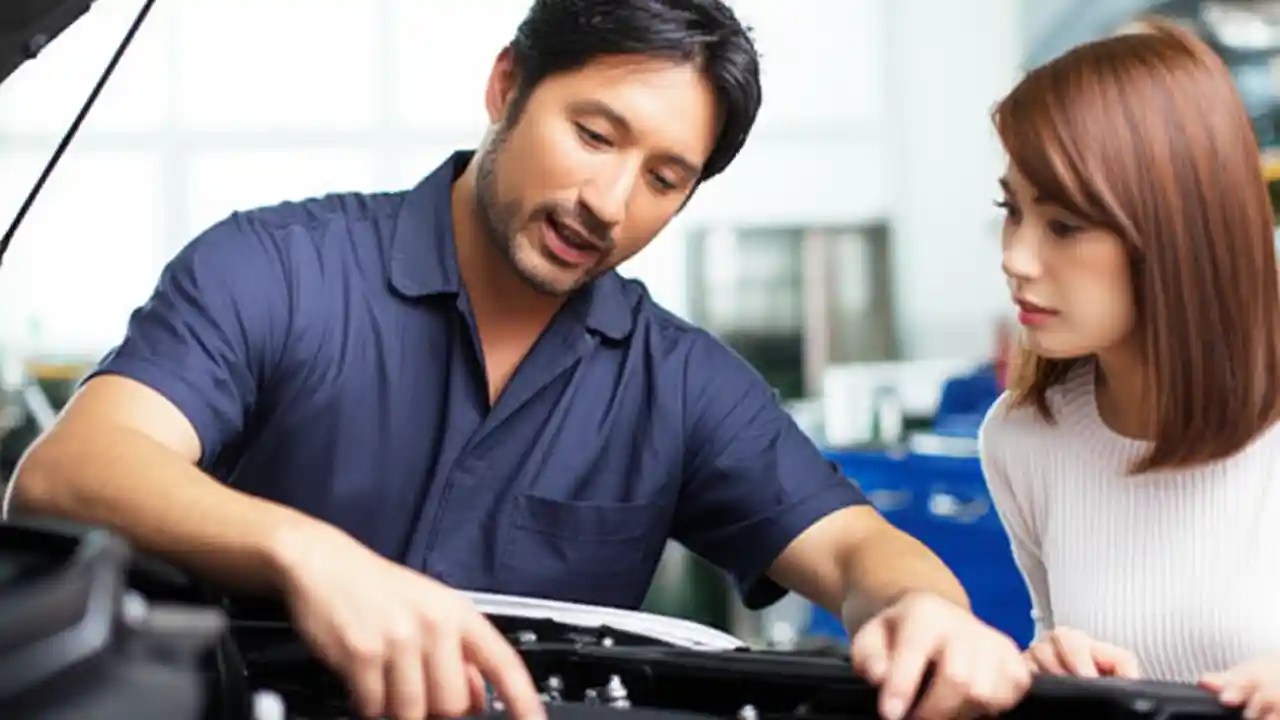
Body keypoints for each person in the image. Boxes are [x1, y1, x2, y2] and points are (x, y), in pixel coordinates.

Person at [7, 2, 1031, 719]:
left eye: (663, 178)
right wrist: (310, 556)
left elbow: (863, 556)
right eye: (593, 133)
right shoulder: (274, 269)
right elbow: (68, 472)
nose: (610, 203)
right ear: (506, 84)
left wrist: (926, 616)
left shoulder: (674, 382)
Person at [980, 18, 1280, 718]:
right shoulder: (1024, 438)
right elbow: (1055, 635)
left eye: (1064, 225)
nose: (1015, 257)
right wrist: (1049, 667)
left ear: (1174, 227)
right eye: (1011, 209)